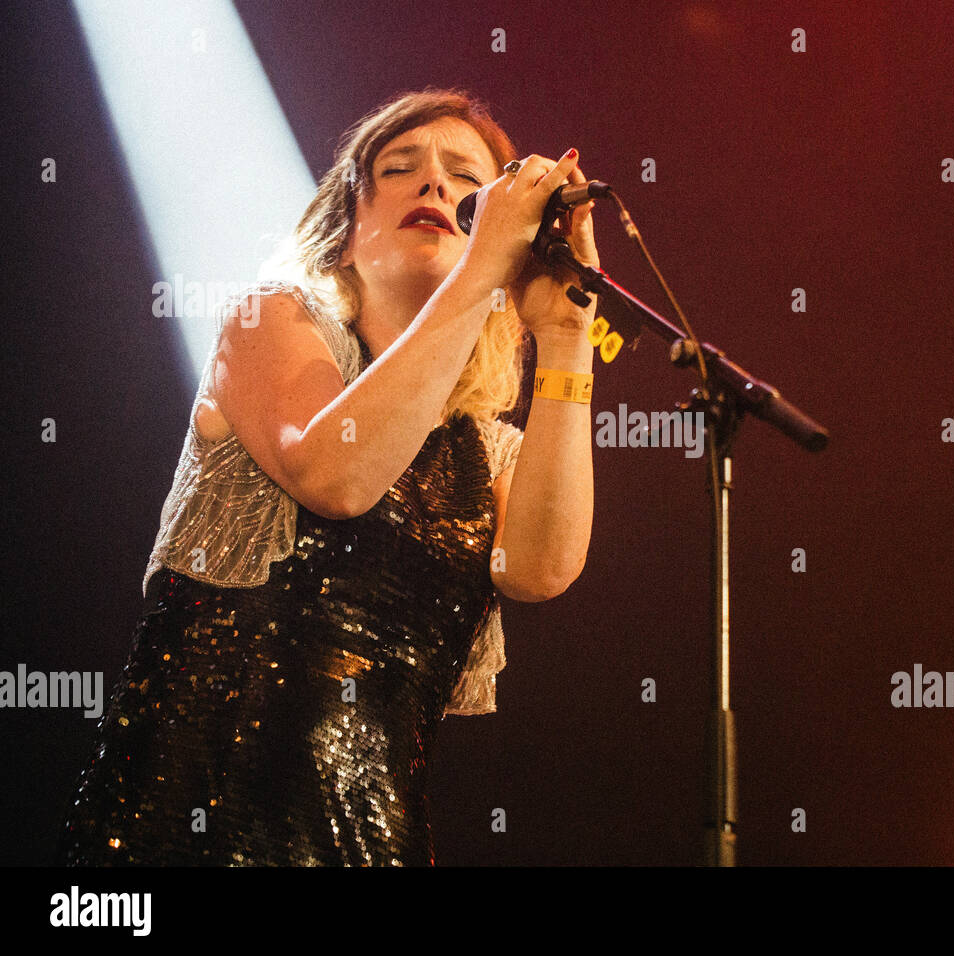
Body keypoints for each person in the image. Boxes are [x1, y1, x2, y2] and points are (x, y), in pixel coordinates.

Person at [56, 87, 596, 866]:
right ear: (347, 230)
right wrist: (480, 274)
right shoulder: (266, 320)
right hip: (183, 827)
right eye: (401, 168)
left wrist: (568, 336)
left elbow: (542, 569)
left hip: (369, 842)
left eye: (464, 178)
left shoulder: (486, 448)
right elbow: (336, 475)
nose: (436, 186)